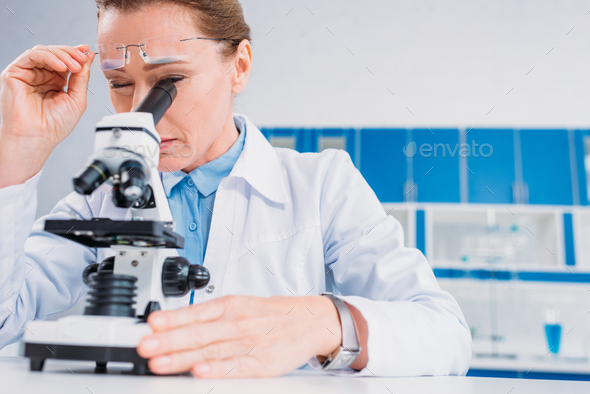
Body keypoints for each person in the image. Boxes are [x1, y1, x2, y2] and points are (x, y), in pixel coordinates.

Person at [0, 0, 472, 378]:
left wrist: (324, 322)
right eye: (119, 83)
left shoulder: (322, 185)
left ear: (239, 66)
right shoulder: (99, 198)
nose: (141, 112)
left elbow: (445, 335)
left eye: (170, 81)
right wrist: (16, 153)